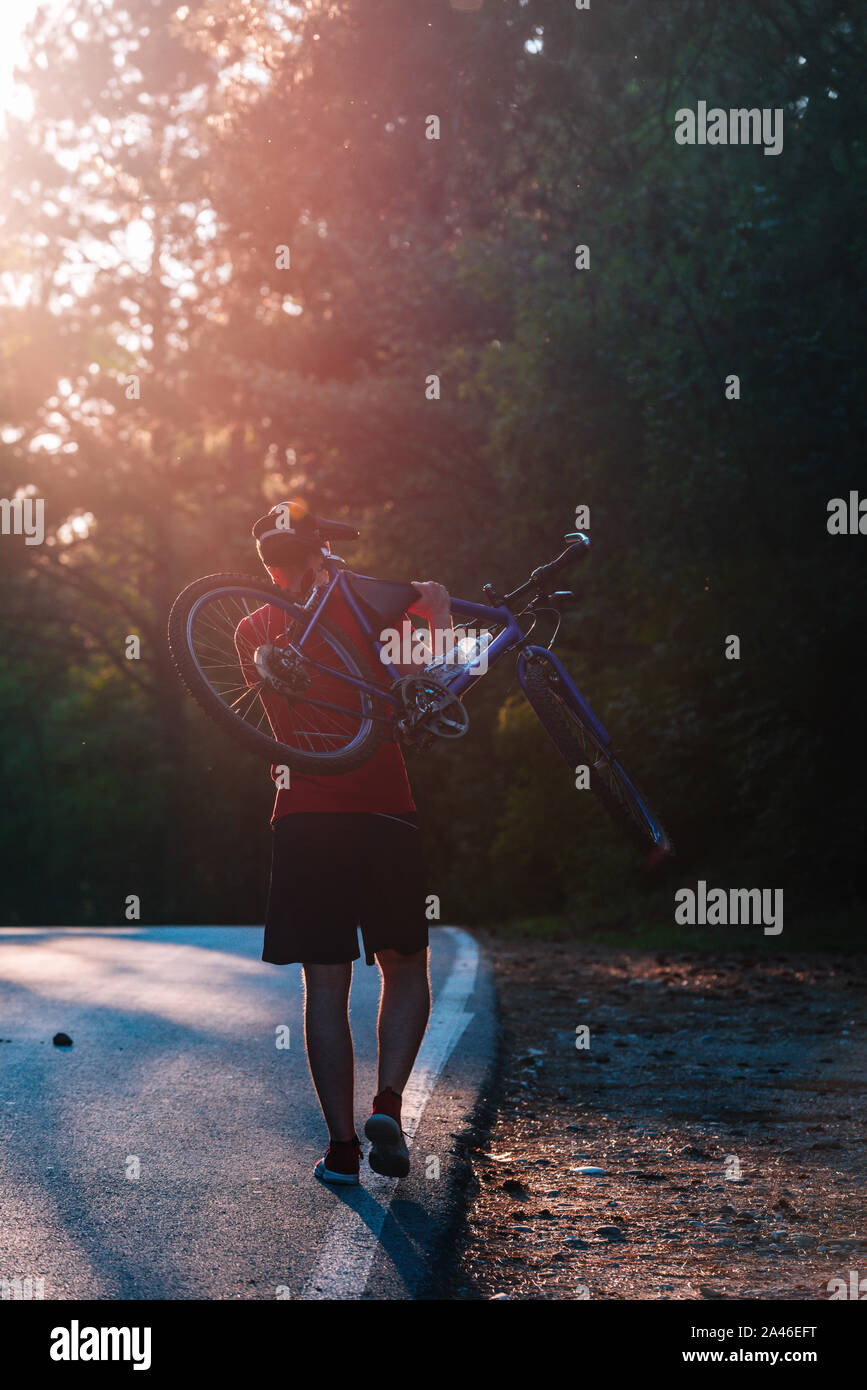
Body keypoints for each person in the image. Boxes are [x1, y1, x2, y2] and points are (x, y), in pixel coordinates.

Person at [234, 500, 453, 1186]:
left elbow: (273, 689)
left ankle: (341, 1149)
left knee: (324, 986)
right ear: (318, 553)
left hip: (303, 816)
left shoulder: (248, 629)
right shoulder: (363, 606)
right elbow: (431, 667)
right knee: (405, 967)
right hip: (385, 808)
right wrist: (437, 603)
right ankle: (387, 1102)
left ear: (266, 564)